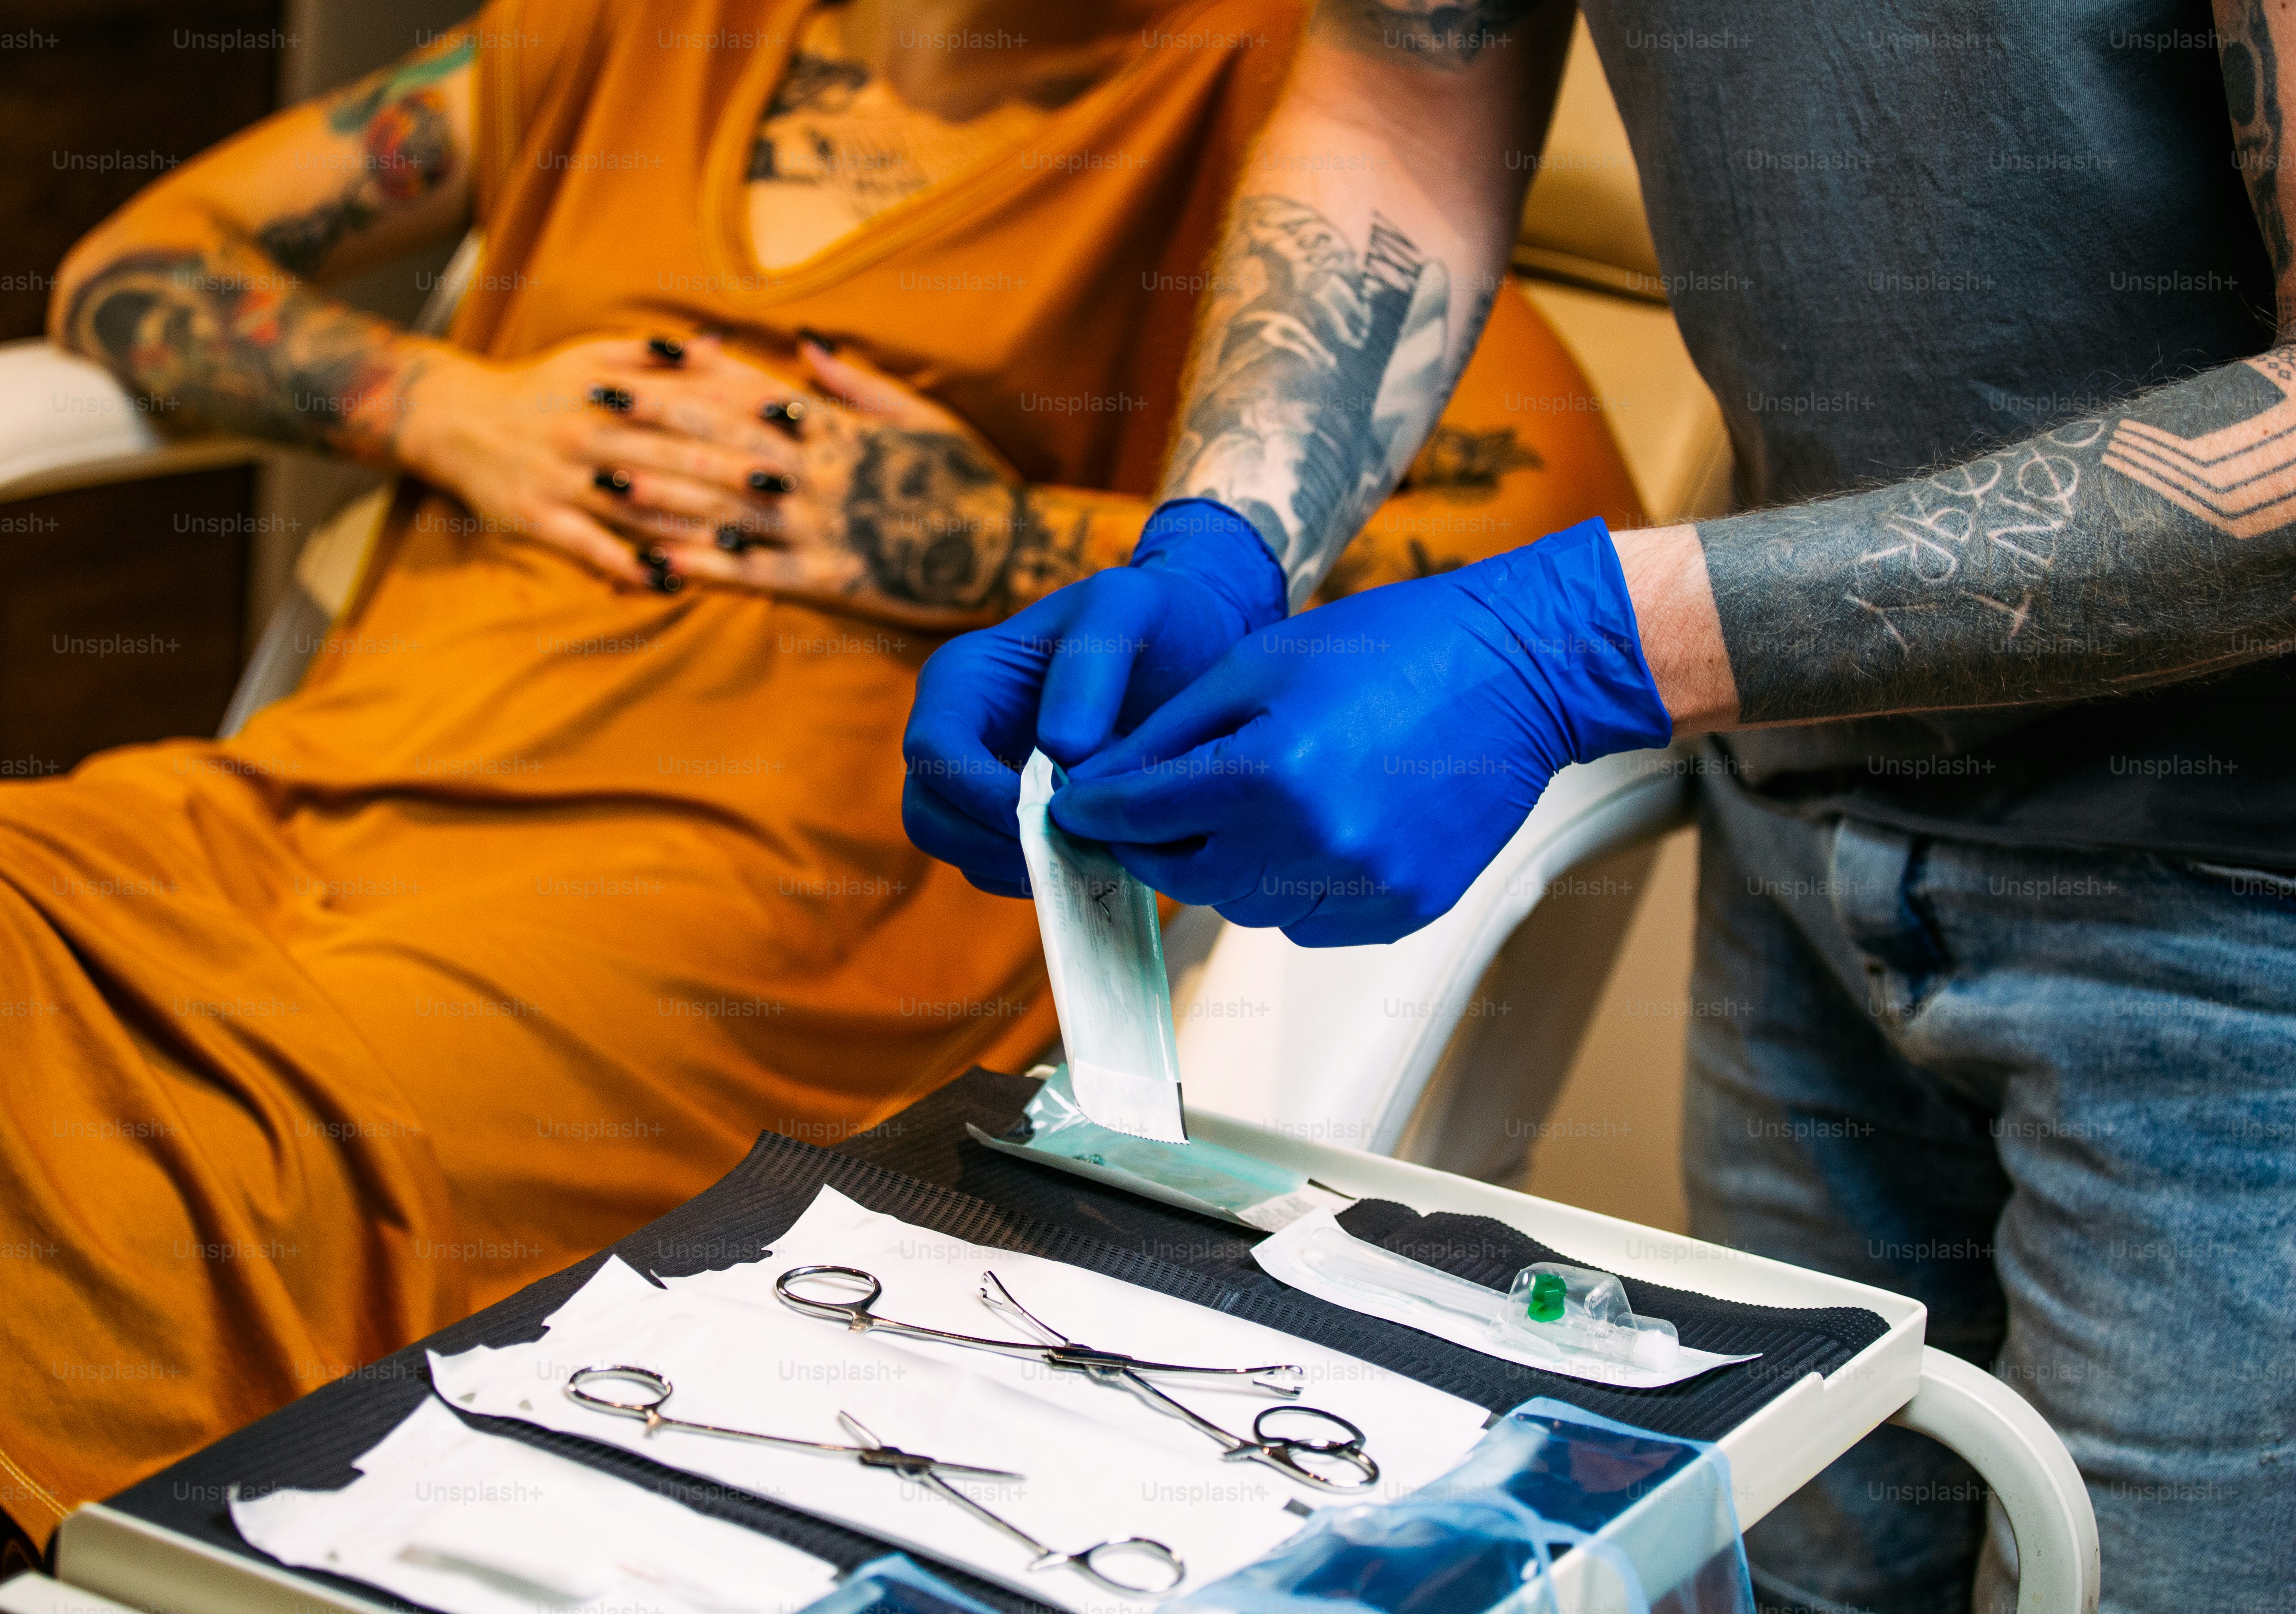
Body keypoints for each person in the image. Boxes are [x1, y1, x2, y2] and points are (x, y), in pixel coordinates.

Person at [0, 0, 1644, 1598]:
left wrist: (970, 536)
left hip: (710, 948)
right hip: (268, 818)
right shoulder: (625, 36)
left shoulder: (1283, 120)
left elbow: (1518, 583)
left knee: (227, 1155)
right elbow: (139, 261)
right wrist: (442, 405)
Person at [904, 2, 2296, 1610]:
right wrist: (1228, 530)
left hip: (2244, 925)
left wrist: (1588, 641)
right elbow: (1408, 83)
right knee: (1795, 1569)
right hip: (1808, 808)